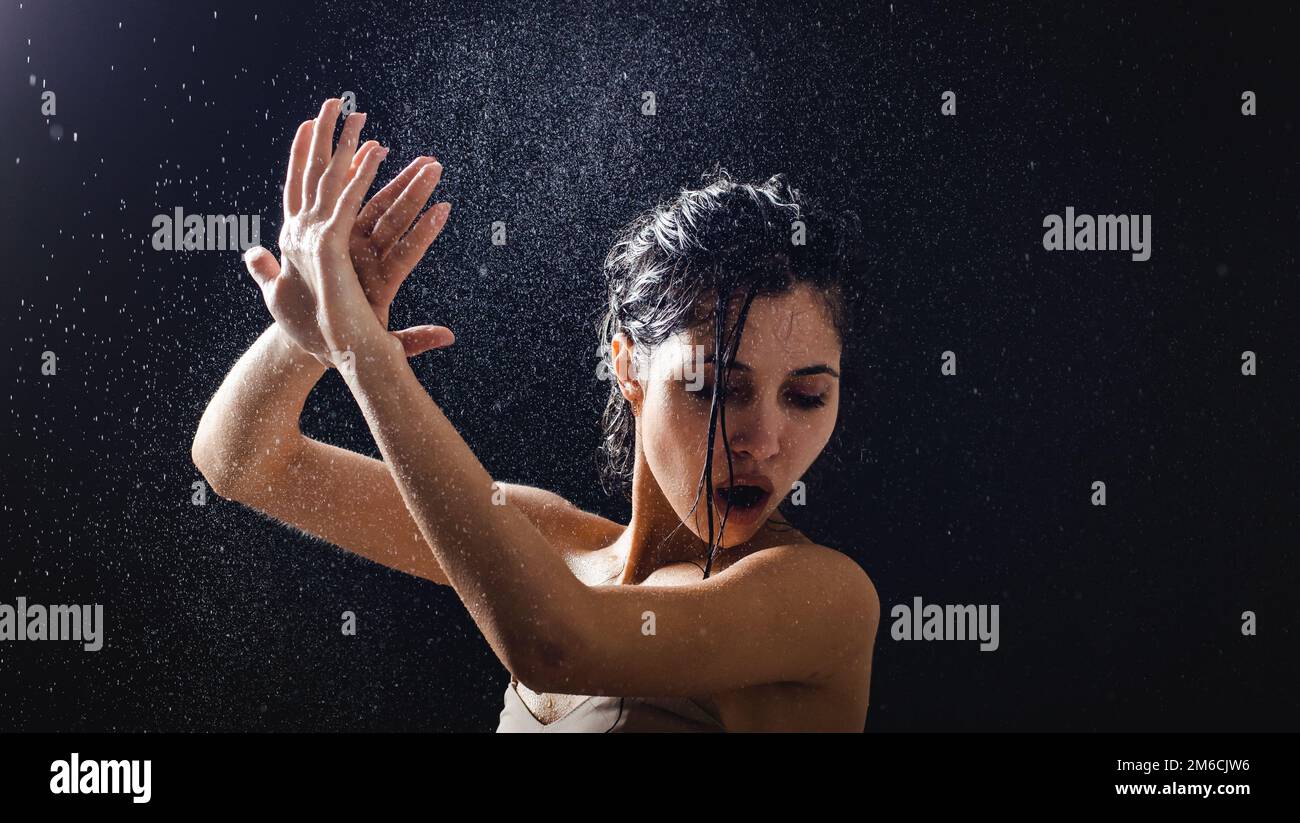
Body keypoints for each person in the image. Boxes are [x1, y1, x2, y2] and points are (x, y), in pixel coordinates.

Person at [193, 97, 881, 732]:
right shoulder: (554, 549)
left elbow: (556, 643)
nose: (763, 440)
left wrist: (365, 355)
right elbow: (242, 461)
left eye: (806, 396)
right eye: (718, 388)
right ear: (629, 367)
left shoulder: (822, 599)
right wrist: (311, 327)